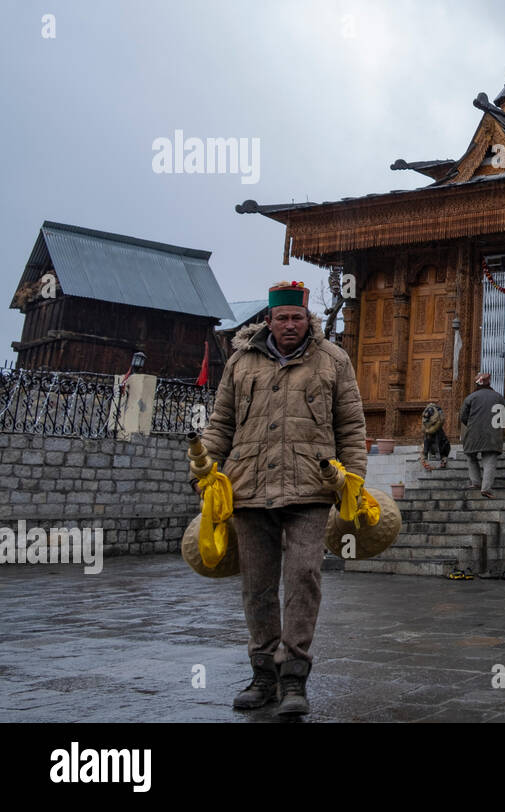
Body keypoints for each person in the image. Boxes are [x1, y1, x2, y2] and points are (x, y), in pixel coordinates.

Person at [199, 280, 366, 718]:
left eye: (297, 317)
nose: (289, 325)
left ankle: (294, 676)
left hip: (312, 487)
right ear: (267, 320)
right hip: (248, 489)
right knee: (256, 585)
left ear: (307, 319)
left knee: (304, 577)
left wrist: (355, 480)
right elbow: (221, 423)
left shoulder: (333, 361)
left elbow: (351, 425)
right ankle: (262, 675)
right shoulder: (241, 362)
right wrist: (205, 468)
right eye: (281, 317)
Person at [459, 371, 505, 498]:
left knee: (471, 457)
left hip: (473, 433)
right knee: (489, 461)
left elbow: (463, 416)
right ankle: (486, 488)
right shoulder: (499, 397)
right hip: (493, 434)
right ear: (488, 383)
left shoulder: (470, 398)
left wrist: (471, 424)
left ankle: (475, 482)